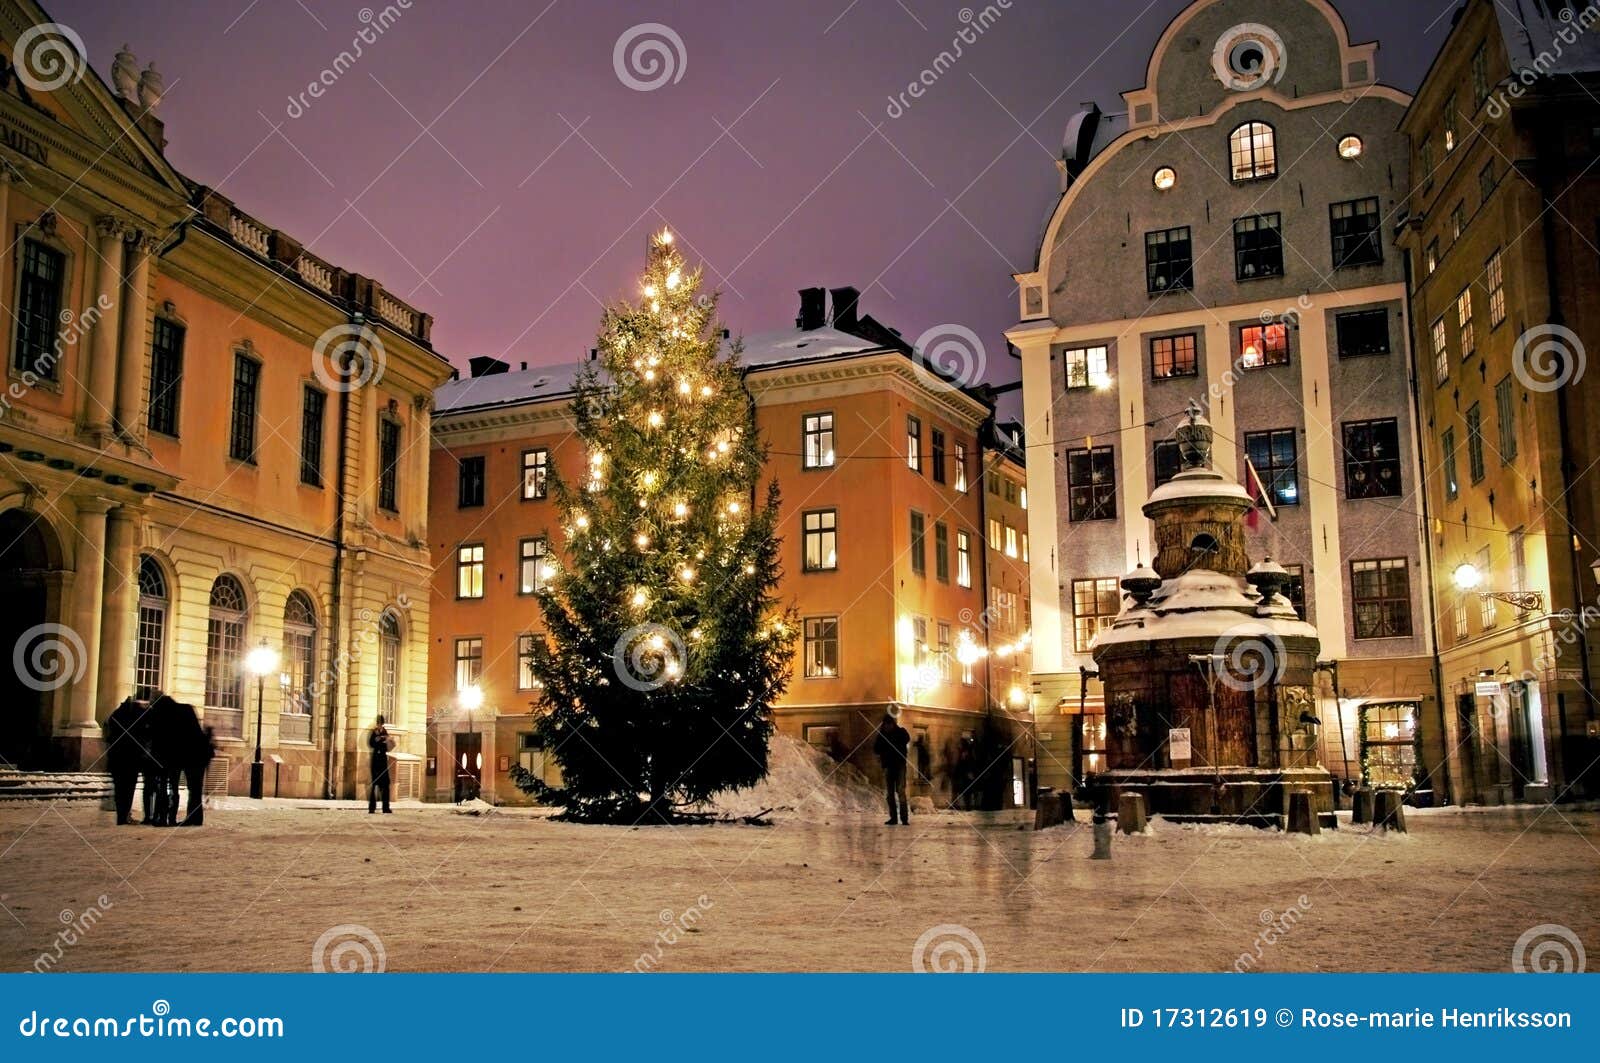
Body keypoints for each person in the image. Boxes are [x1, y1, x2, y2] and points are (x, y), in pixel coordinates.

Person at [873, 706, 911, 826]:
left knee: (900, 791)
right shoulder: (882, 736)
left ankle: (904, 818)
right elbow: (876, 749)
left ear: (892, 724)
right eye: (885, 725)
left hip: (899, 765)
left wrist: (892, 740)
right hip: (888, 766)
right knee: (890, 794)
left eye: (888, 725)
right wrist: (883, 739)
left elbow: (906, 739)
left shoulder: (901, 732)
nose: (886, 727)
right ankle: (893, 818)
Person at [368, 715, 393, 814]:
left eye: (380, 723)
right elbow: (371, 744)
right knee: (374, 784)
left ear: (382, 724)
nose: (379, 725)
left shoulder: (385, 732)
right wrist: (377, 739)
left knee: (386, 784)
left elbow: (388, 746)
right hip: (376, 760)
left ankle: (385, 807)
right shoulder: (374, 733)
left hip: (383, 759)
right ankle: (372, 808)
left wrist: (387, 740)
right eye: (378, 723)